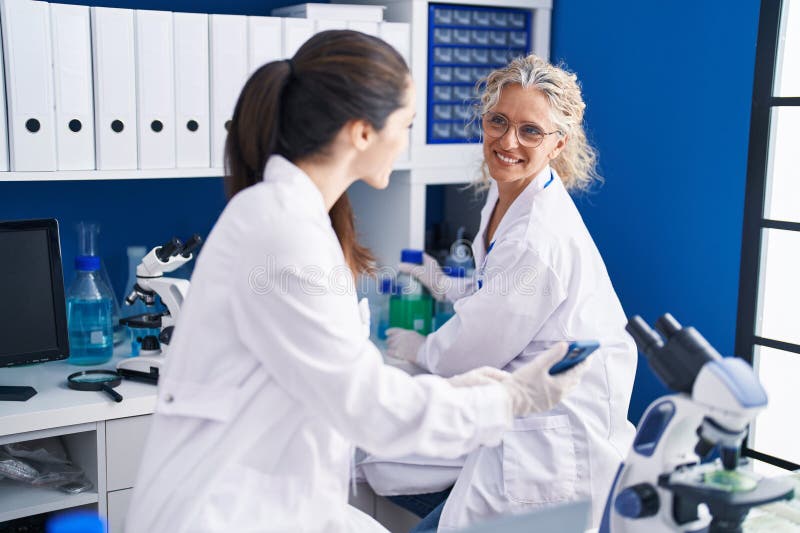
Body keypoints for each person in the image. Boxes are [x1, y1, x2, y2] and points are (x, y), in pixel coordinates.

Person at [124, 32, 588, 533]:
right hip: (219, 513)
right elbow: (369, 408)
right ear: (363, 133)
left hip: (258, 502)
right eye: (405, 125)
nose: (407, 140)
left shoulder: (291, 218)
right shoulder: (283, 233)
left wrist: (473, 388)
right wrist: (509, 398)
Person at [381, 54, 637, 531]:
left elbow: (470, 351)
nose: (507, 141)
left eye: (530, 131)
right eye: (498, 121)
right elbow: (501, 294)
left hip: (552, 436)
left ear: (558, 142)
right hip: (520, 410)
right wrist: (447, 284)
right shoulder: (512, 193)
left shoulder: (538, 236)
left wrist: (422, 351)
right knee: (385, 468)